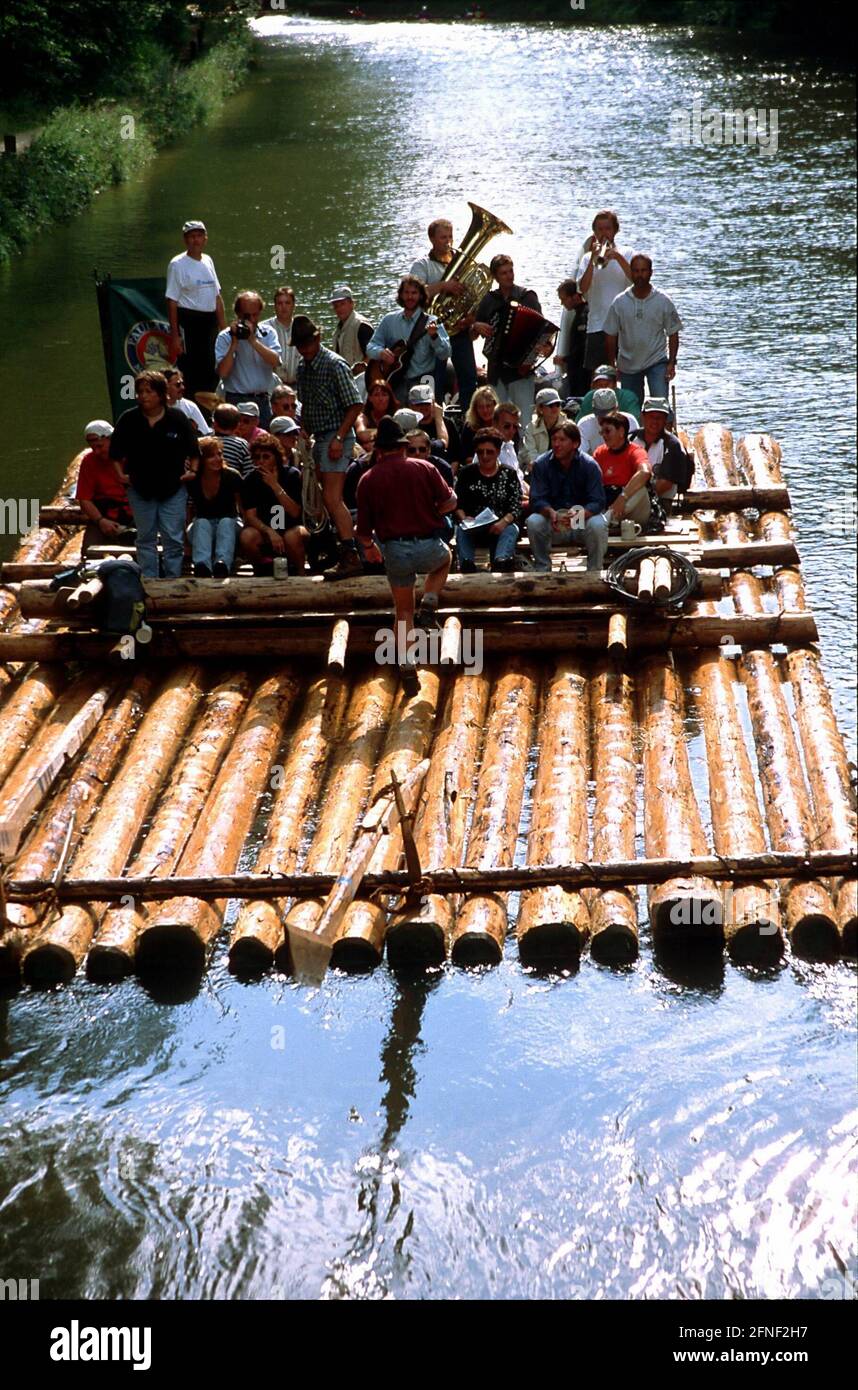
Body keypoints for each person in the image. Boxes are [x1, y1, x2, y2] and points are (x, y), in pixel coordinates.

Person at [355, 416, 457, 691]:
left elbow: (362, 529)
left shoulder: (367, 479)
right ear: (403, 446)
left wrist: (369, 547)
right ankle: (431, 601)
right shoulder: (425, 467)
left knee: (403, 612)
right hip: (427, 544)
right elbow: (451, 501)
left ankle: (407, 665)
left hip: (395, 549)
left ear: (378, 450)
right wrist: (435, 511)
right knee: (445, 558)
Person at [292, 313, 365, 579]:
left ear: (317, 338)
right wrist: (306, 430)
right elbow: (309, 405)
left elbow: (355, 404)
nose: (304, 349)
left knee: (333, 499)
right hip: (318, 437)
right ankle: (341, 549)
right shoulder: (302, 368)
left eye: (307, 344)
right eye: (300, 345)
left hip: (336, 436)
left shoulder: (335, 365)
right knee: (325, 499)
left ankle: (350, 554)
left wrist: (339, 437)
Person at [109, 370, 199, 579]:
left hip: (173, 488)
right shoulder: (128, 419)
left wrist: (192, 472)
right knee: (145, 538)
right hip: (140, 489)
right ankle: (149, 580)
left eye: (148, 391)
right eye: (140, 392)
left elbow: (194, 451)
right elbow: (114, 454)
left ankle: (172, 579)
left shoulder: (177, 418)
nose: (143, 396)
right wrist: (120, 476)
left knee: (173, 538)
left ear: (160, 394)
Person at [410, 216, 479, 411]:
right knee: (434, 380)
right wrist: (443, 286)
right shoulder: (422, 265)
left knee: (469, 379)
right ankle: (434, 420)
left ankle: (468, 421)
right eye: (443, 237)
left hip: (459, 330)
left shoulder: (461, 264)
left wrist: (470, 318)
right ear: (432, 239)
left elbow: (472, 297)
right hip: (433, 332)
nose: (448, 241)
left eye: (450, 237)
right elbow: (414, 294)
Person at [602, 255, 683, 409]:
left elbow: (673, 333)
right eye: (636, 271)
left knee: (660, 406)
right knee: (631, 407)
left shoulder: (663, 301)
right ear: (631, 273)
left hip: (656, 361)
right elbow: (610, 336)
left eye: (643, 271)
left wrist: (672, 362)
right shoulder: (619, 302)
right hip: (628, 364)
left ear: (651, 272)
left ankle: (664, 429)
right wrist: (611, 365)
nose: (640, 275)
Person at [526, 423, 608, 572]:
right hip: (554, 522)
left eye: (562, 440)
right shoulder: (541, 464)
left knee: (598, 524)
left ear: (575, 443)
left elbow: (598, 501)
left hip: (581, 522)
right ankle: (542, 569)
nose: (557, 444)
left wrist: (582, 513)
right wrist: (551, 513)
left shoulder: (589, 465)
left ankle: (595, 571)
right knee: (533, 522)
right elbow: (536, 499)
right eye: (554, 439)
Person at [473, 254, 546, 421]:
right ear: (495, 277)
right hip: (496, 369)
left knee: (525, 420)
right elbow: (474, 334)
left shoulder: (527, 297)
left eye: (510, 271)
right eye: (504, 273)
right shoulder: (489, 300)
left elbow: (543, 330)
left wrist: (543, 347)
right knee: (497, 419)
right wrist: (475, 326)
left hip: (520, 370)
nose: (509, 276)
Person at [366, 276, 451, 404]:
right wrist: (381, 353)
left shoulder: (432, 321)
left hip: (423, 382)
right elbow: (370, 347)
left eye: (414, 293)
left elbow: (446, 354)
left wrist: (434, 337)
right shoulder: (389, 320)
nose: (410, 297)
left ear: (421, 296)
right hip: (395, 382)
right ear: (400, 295)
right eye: (406, 292)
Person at [165, 219, 225, 400]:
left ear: (205, 239)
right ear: (185, 240)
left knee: (212, 366)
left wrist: (224, 329)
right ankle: (192, 407)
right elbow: (172, 301)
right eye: (191, 237)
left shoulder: (208, 261)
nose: (196, 241)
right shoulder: (177, 264)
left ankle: (211, 409)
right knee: (191, 369)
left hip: (210, 321)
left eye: (199, 236)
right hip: (190, 321)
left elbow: (217, 296)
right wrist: (175, 336)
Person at [454, 428, 522, 573]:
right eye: (480, 452)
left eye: (489, 452)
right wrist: (464, 518)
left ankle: (501, 563)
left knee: (512, 529)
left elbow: (516, 506)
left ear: (498, 452)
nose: (484, 456)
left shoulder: (509, 473)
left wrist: (503, 522)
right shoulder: (466, 473)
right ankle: (467, 565)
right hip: (472, 527)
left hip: (500, 526)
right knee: (461, 530)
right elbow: (457, 503)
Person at [238, 431, 308, 574]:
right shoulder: (250, 480)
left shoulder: (291, 475)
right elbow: (250, 516)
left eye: (266, 457)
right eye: (257, 457)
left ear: (276, 458)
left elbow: (295, 511)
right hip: (266, 531)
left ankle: (301, 573)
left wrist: (275, 486)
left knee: (292, 536)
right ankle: (261, 571)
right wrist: (270, 532)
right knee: (247, 536)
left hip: (291, 528)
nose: (261, 461)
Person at [575, 209, 633, 373]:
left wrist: (618, 257)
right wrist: (593, 261)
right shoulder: (587, 258)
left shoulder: (627, 253)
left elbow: (636, 280)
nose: (604, 233)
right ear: (594, 232)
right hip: (597, 326)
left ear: (615, 230)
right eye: (599, 229)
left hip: (624, 326)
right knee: (599, 377)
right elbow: (582, 289)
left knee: (626, 374)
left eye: (607, 228)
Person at [215, 291, 282, 428]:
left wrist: (253, 340)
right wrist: (234, 344)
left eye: (255, 315)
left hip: (262, 400)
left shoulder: (268, 333)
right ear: (238, 314)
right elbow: (223, 373)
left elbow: (276, 361)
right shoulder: (225, 337)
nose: (251, 319)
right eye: (247, 315)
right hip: (235, 400)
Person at [186, 436, 243, 577]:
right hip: (203, 528)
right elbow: (188, 510)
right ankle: (202, 566)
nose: (217, 459)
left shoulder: (231, 476)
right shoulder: (193, 479)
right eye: (211, 456)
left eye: (219, 454)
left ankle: (222, 565)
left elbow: (243, 507)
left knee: (226, 522)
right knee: (201, 522)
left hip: (229, 524)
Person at [76, 419, 134, 556]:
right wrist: (100, 521)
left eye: (100, 446)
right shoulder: (89, 462)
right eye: (93, 448)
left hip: (135, 512)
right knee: (89, 553)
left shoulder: (131, 456)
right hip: (104, 515)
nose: (97, 452)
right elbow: (84, 499)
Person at [631, 397, 694, 510]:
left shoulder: (673, 445)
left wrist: (633, 500)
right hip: (630, 496)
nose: (655, 421)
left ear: (665, 420)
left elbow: (665, 484)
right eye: (651, 417)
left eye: (659, 418)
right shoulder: (631, 438)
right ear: (643, 416)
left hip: (660, 501)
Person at [593, 411, 652, 529]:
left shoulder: (635, 451)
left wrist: (622, 497)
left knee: (641, 489)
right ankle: (602, 520)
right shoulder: (599, 453)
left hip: (633, 509)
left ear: (621, 432)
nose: (604, 435)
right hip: (608, 504)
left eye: (608, 431)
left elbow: (645, 472)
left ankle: (607, 519)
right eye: (602, 432)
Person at [577, 387, 639, 457]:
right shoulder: (584, 425)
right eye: (601, 414)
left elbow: (637, 451)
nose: (605, 419)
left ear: (617, 408)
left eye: (608, 414)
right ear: (593, 410)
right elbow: (580, 455)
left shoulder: (630, 421)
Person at [553, 279, 589, 399]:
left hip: (582, 373)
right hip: (576, 371)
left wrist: (565, 359)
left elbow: (583, 347)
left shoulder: (584, 315)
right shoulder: (578, 314)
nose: (562, 303)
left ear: (574, 297)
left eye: (564, 299)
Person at [520, 387, 569, 470]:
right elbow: (529, 453)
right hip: (539, 469)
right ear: (540, 408)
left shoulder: (568, 426)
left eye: (557, 404)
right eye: (550, 405)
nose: (555, 408)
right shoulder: (531, 428)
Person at [329, 285, 374, 373]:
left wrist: (358, 372)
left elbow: (373, 355)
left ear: (352, 304)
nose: (339, 309)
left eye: (342, 304)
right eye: (336, 306)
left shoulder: (361, 325)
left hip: (361, 380)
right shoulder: (337, 332)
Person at [262, 286, 300, 386]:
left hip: (298, 385)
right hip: (272, 386)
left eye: (287, 303)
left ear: (293, 305)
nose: (284, 307)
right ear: (274, 306)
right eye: (280, 303)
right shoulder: (264, 329)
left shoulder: (301, 327)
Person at [355, 378, 399, 451]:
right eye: (376, 395)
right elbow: (362, 434)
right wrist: (389, 433)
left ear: (390, 398)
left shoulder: (396, 415)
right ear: (370, 398)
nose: (380, 399)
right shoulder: (362, 417)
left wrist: (376, 444)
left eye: (384, 395)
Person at [460, 384, 501, 460]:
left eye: (488, 406)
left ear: (495, 406)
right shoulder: (469, 427)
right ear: (475, 409)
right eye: (481, 407)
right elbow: (467, 456)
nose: (485, 410)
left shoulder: (503, 425)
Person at [211, 403, 253, 477]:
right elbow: (248, 472)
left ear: (214, 423)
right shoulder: (242, 445)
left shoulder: (203, 442)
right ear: (237, 426)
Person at [163, 367, 209, 433]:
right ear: (166, 387)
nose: (182, 387)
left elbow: (205, 433)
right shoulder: (155, 407)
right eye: (178, 385)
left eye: (182, 384)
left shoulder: (190, 407)